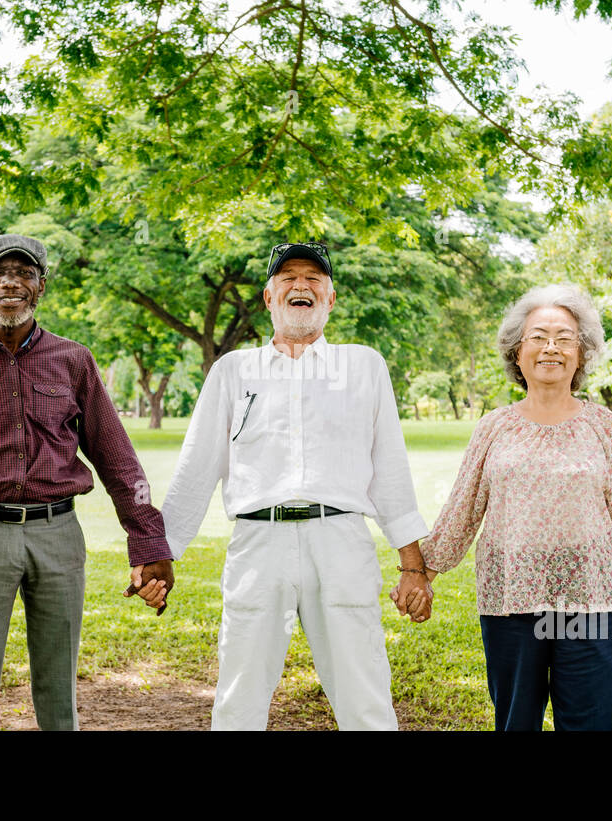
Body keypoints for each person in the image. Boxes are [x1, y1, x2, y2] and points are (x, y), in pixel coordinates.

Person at [0, 233, 173, 731]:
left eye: (24, 273)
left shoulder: (74, 360)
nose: (10, 283)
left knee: (58, 689)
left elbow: (118, 459)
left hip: (57, 536)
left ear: (41, 285)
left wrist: (148, 541)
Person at [160, 241, 429, 731]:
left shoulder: (363, 365)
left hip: (341, 539)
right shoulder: (233, 371)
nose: (300, 285)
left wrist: (413, 565)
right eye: (288, 278)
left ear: (330, 297)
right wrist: (161, 551)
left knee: (364, 690)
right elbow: (197, 467)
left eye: (313, 279)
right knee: (239, 693)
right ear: (268, 297)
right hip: (258, 543)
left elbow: (389, 467)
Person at [406, 283, 612, 731]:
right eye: (537, 337)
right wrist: (421, 575)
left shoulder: (606, 427)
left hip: (592, 603)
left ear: (581, 355)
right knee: (516, 723)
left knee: (591, 725)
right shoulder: (494, 427)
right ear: (517, 353)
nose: (550, 347)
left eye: (564, 338)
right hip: (510, 601)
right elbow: (461, 511)